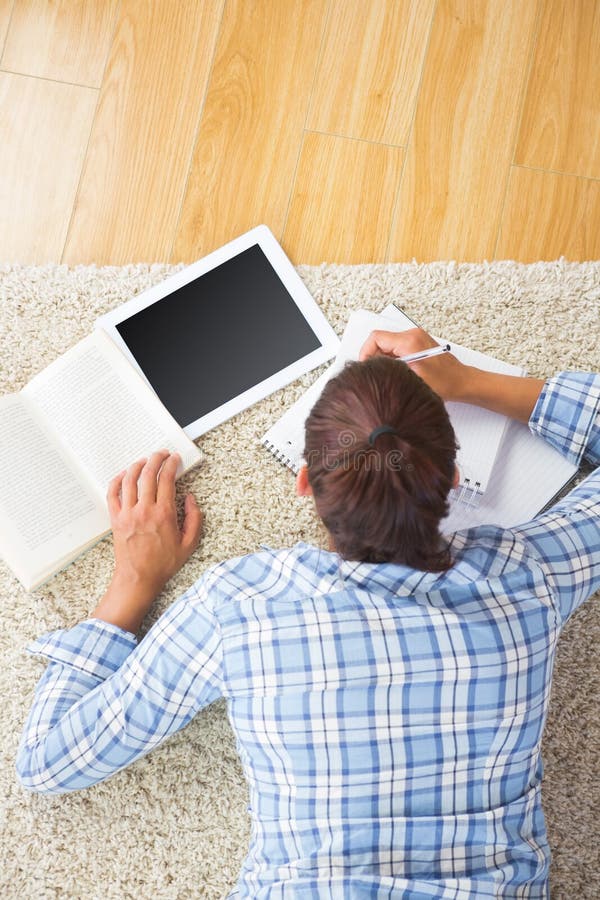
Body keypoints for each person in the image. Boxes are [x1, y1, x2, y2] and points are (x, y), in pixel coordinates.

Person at [15, 325, 600, 898]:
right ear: (450, 477)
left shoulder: (242, 606)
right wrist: (473, 383)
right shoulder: (526, 577)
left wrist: (133, 579)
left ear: (304, 483)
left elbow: (49, 762)